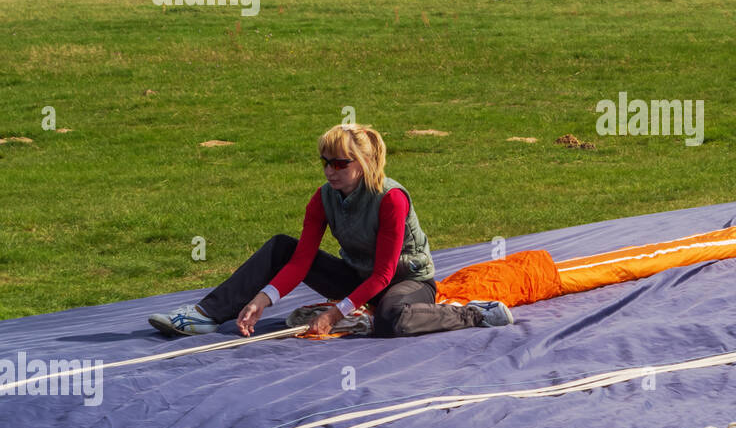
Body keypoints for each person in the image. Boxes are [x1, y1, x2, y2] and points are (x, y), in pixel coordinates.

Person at [149, 124, 513, 337]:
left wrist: (334, 314)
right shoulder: (322, 199)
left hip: (407, 282)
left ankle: (474, 314)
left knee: (390, 318)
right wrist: (262, 300)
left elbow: (386, 272)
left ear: (366, 163)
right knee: (281, 246)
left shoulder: (391, 199)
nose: (329, 171)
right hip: (359, 279)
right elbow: (300, 260)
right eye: (325, 162)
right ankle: (207, 314)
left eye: (339, 163)